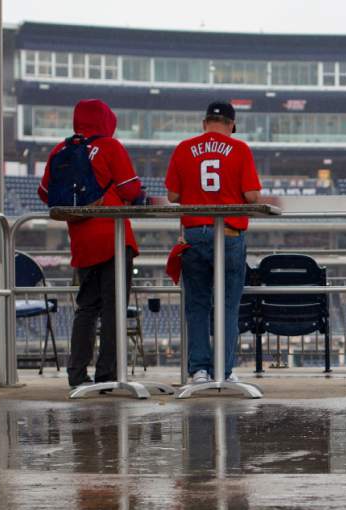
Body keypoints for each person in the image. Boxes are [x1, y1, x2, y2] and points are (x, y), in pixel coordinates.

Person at [38, 99, 144, 389]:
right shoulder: (110, 146)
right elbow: (131, 190)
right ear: (106, 120)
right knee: (113, 309)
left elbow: (45, 193)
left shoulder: (60, 150)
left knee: (86, 308)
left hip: (82, 242)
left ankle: (77, 374)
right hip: (113, 237)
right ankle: (107, 375)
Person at [165, 101, 262, 384]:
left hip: (194, 234)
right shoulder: (240, 149)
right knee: (228, 306)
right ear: (231, 125)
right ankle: (224, 371)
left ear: (204, 122)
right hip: (229, 235)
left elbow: (172, 196)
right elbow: (252, 196)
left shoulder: (184, 148)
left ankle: (199, 371)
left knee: (197, 305)